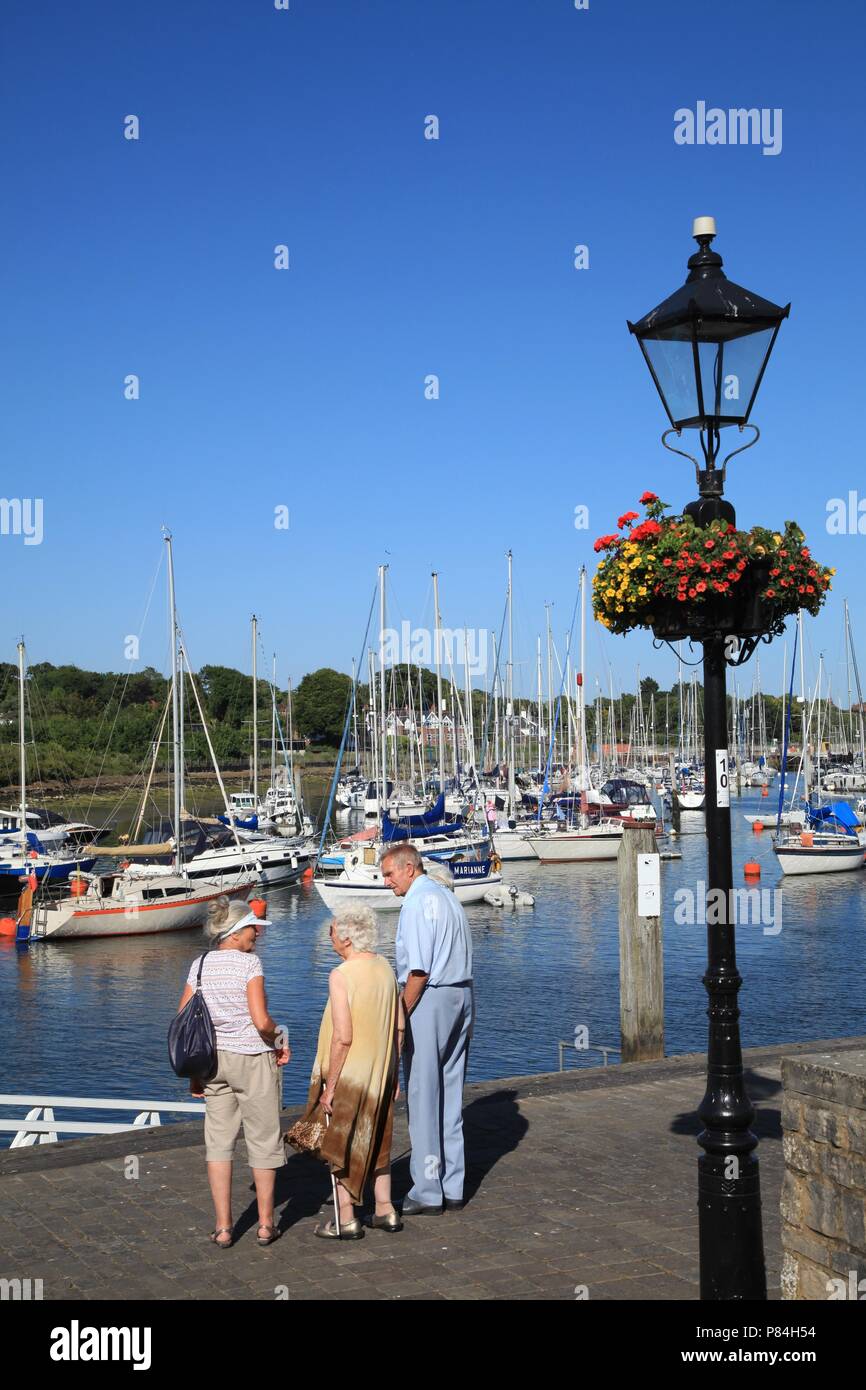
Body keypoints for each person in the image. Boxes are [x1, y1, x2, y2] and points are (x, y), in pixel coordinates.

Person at [175, 896, 289, 1249]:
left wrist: (195, 1072)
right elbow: (260, 1021)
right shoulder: (249, 965)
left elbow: (183, 1018)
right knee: (263, 1140)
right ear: (237, 932)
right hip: (251, 1058)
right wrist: (280, 1038)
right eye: (253, 928)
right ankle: (266, 1224)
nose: (258, 933)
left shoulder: (200, 964)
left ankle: (224, 1227)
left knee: (219, 1143)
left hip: (212, 1062)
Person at [381, 843, 473, 1215]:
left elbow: (418, 971)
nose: (386, 882)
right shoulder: (448, 897)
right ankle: (453, 1184)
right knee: (450, 1094)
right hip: (463, 994)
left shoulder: (418, 902)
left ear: (408, 868)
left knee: (422, 1095)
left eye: (389, 874)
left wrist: (400, 1014)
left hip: (431, 997)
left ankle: (427, 1189)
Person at [302, 903, 403, 1239]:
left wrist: (329, 1087)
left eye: (332, 931)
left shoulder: (341, 975)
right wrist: (396, 1072)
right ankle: (385, 1209)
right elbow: (400, 1027)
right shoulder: (385, 967)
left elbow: (343, 1037)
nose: (329, 936)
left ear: (345, 937)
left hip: (350, 1074)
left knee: (342, 1144)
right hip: (381, 1071)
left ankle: (346, 1218)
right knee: (378, 1138)